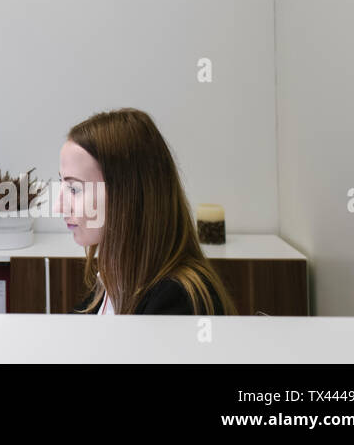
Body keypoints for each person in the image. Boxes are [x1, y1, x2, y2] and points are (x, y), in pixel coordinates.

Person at [57, 108, 236, 315]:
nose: (58, 206)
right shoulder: (117, 279)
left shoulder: (179, 302)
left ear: (125, 196)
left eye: (74, 189)